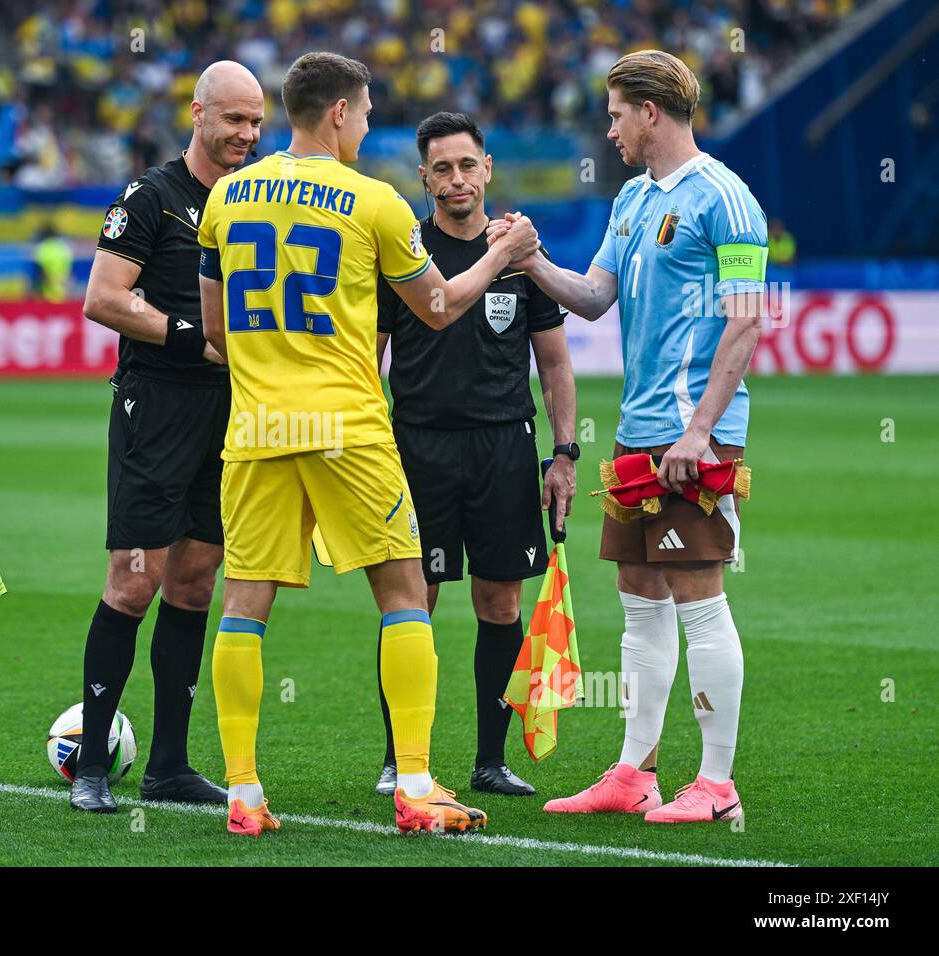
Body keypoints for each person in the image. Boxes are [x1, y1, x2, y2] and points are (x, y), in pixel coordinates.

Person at [197, 52, 540, 836]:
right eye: (369, 111)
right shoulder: (372, 200)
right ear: (341, 113)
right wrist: (502, 252)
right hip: (346, 426)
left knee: (244, 605)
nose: (371, 123)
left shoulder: (225, 198)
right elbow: (443, 305)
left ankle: (244, 792)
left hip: (255, 428)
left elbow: (214, 331)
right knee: (403, 590)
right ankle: (416, 783)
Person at [511, 50, 766, 823]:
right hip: (634, 437)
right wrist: (531, 260)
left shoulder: (727, 198)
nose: (611, 127)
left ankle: (717, 786)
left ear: (650, 111)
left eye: (617, 112)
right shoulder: (629, 199)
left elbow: (746, 318)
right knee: (639, 604)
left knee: (699, 600)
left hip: (694, 440)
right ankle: (634, 772)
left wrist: (700, 431)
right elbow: (591, 298)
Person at [71, 61, 264, 813]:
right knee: (135, 579)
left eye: (255, 122)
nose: (246, 135)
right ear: (197, 113)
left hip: (232, 413)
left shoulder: (258, 202)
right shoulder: (150, 198)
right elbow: (104, 299)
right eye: (233, 120)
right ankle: (91, 764)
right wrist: (194, 338)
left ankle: (170, 765)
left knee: (195, 580)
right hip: (157, 407)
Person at [372, 111, 577, 799]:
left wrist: (565, 453)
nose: (456, 180)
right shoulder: (402, 252)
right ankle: (402, 760)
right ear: (424, 177)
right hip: (418, 448)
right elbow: (369, 362)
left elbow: (554, 367)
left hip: (504, 448)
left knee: (499, 603)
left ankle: (490, 763)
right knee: (411, 603)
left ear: (487, 168)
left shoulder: (521, 256)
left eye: (467, 165)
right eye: (442, 169)